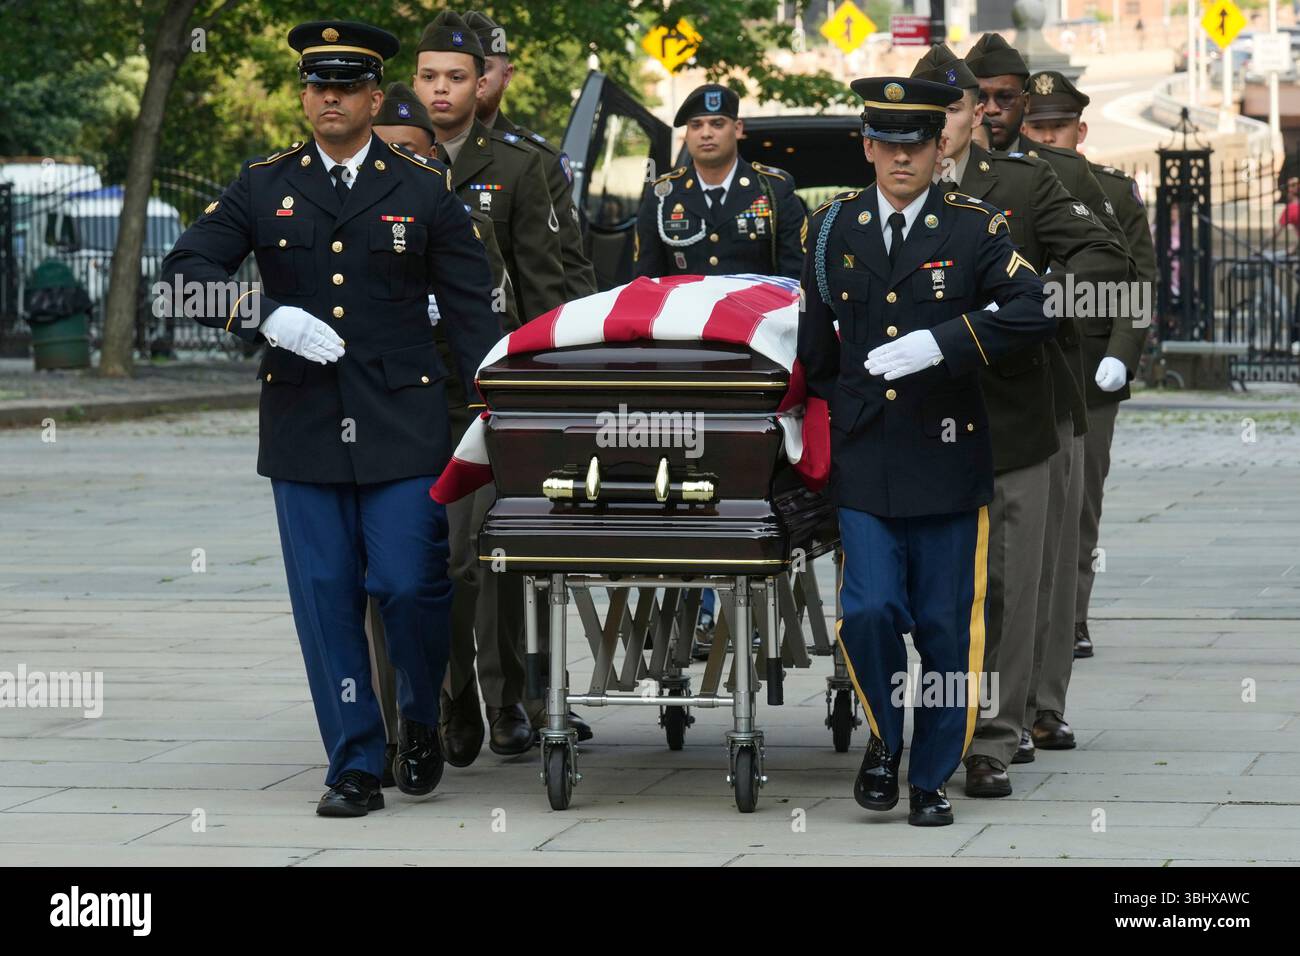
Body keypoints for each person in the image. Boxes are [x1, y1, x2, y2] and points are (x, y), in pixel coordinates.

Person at [160, 20, 502, 816]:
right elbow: (182, 276)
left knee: (411, 585)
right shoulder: (262, 184)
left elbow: (477, 322)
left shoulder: (422, 190)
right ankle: (354, 759)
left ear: (376, 97)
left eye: (347, 87)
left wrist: (497, 414)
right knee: (325, 595)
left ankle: (418, 713)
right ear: (305, 97)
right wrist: (262, 312)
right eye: (319, 87)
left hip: (402, 422)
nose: (330, 100)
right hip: (305, 423)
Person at [799, 75, 1053, 826]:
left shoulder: (975, 227)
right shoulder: (831, 227)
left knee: (945, 631)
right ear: (868, 147)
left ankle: (933, 775)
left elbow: (1034, 307)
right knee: (870, 611)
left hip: (947, 453)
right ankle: (885, 738)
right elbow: (815, 342)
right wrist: (803, 421)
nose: (902, 159)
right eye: (888, 145)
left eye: (917, 145)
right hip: (867, 455)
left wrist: (943, 344)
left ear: (938, 149)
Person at [912, 44, 1130, 795]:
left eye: (953, 108)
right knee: (939, 586)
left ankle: (1000, 734)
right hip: (921, 418)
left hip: (1011, 410)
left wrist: (1030, 308)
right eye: (928, 109)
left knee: (1012, 580)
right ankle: (941, 723)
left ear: (980, 114)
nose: (940, 125)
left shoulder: (1025, 182)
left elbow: (1106, 259)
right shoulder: (891, 187)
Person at [412, 10, 590, 758]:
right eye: (431, 76)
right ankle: (452, 700)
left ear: (484, 78)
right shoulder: (393, 155)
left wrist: (555, 394)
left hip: (491, 394)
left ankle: (507, 693)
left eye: (460, 74)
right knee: (435, 560)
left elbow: (550, 288)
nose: (445, 88)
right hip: (407, 392)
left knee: (493, 553)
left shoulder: (521, 165)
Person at [366, 80, 521, 779]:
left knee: (464, 565)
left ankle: (475, 693)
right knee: (386, 578)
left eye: (417, 155)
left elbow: (486, 322)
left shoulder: (467, 226)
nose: (403, 165)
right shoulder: (356, 222)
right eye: (389, 151)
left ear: (439, 163)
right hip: (381, 417)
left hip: (460, 413)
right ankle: (398, 723)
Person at [1021, 71, 1156, 665]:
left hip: (1087, 363)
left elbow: (1136, 281)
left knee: (1078, 503)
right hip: (1020, 361)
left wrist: (1120, 355)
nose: (1048, 138)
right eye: (1037, 126)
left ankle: (1070, 618)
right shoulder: (1009, 186)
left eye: (1058, 127)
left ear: (1080, 128)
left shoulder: (1111, 192)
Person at [464, 9, 597, 300]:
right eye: (460, 70)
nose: (472, 80)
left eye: (482, 67)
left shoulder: (538, 160)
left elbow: (569, 270)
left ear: (507, 75)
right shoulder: (411, 151)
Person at [635, 83, 808, 280]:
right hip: (686, 310)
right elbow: (646, 281)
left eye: (717, 124)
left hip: (755, 309)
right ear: (687, 134)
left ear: (737, 129)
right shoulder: (662, 195)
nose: (706, 133)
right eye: (696, 125)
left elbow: (796, 279)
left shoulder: (773, 189)